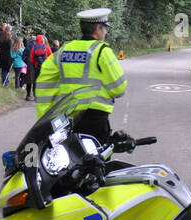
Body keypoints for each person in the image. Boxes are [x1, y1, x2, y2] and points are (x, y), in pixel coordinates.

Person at [34, 8, 127, 145]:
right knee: (98, 160)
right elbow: (119, 88)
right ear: (97, 29)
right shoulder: (102, 51)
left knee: (71, 159)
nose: (106, 32)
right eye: (105, 28)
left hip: (69, 118)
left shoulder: (65, 50)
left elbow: (45, 80)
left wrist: (46, 114)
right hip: (96, 119)